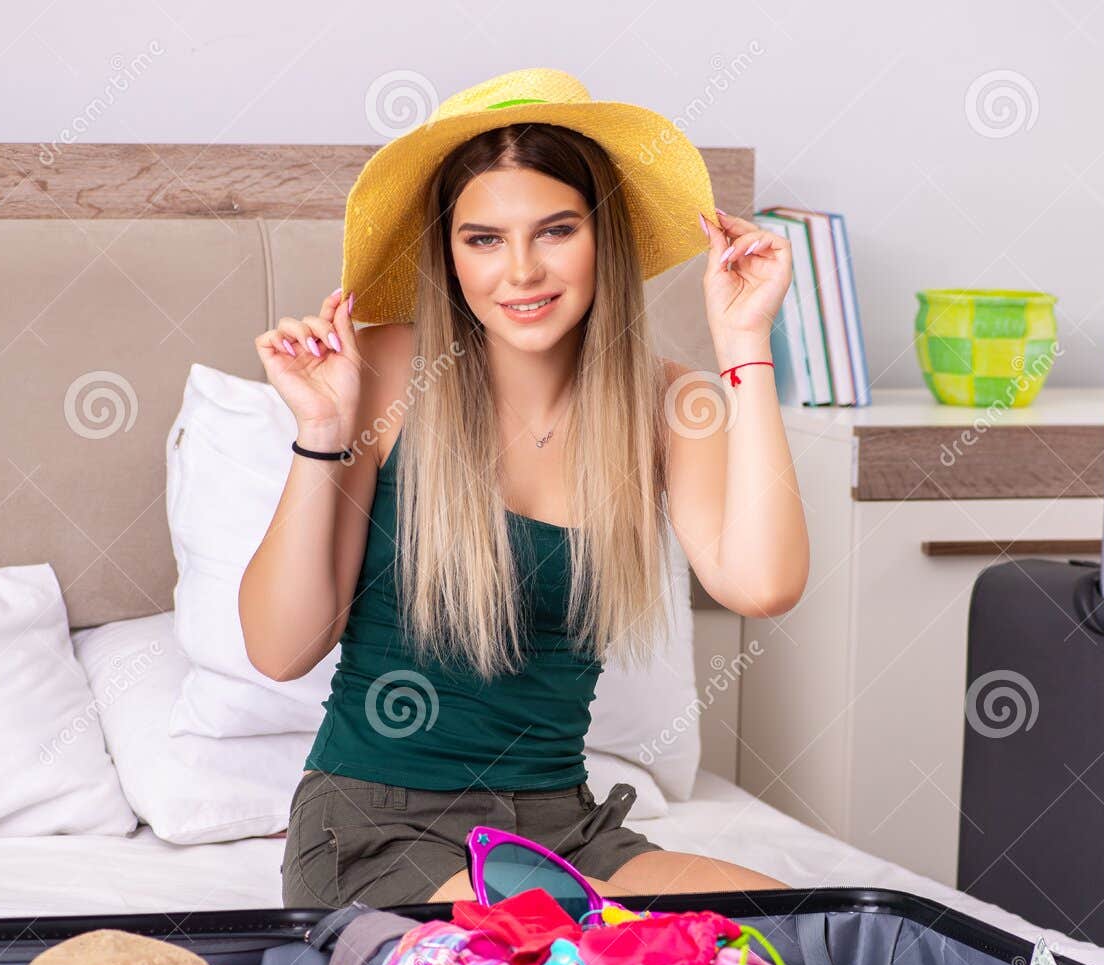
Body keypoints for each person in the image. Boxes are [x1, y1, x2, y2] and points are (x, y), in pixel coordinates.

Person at [241, 68, 808, 909]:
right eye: (483, 239)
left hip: (561, 827)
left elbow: (763, 585)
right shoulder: (383, 370)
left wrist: (744, 341)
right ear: (448, 253)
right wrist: (321, 431)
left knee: (790, 935)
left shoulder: (668, 404)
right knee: (566, 957)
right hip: (377, 825)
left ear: (604, 236)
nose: (521, 271)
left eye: (556, 231)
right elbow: (278, 650)